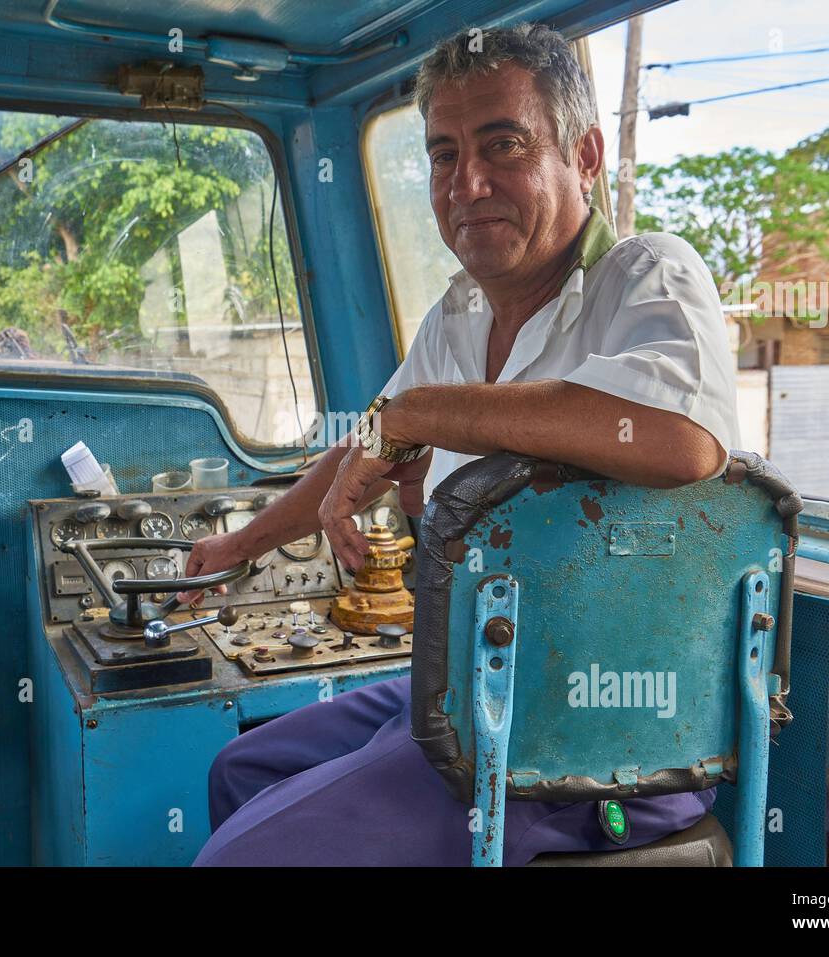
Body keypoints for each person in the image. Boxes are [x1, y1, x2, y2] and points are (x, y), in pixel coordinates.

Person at [182, 22, 740, 866]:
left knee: (232, 859)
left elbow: (683, 438)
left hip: (595, 739)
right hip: (470, 689)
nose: (468, 182)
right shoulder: (460, 312)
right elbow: (371, 437)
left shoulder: (645, 275)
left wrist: (424, 415)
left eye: (503, 144)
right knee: (242, 767)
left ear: (585, 155)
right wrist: (240, 543)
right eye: (444, 155)